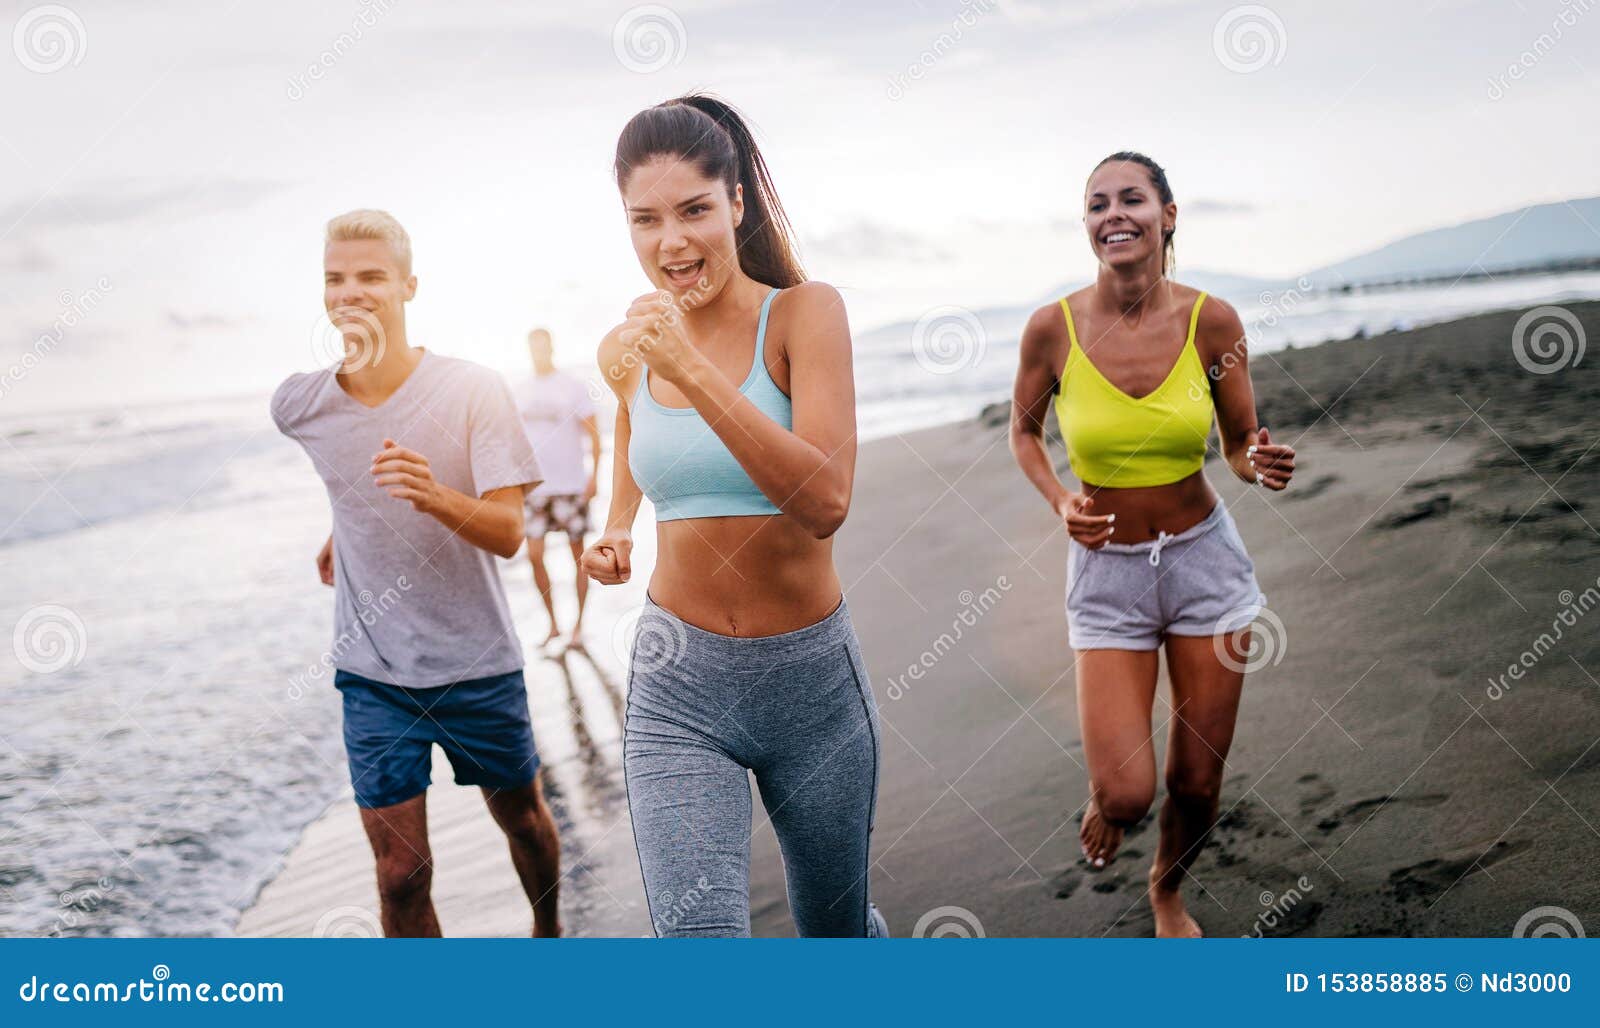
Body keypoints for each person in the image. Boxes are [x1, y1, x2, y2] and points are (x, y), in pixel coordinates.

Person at [580, 94, 888, 938]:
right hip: (678, 683)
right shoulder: (626, 348)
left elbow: (825, 500)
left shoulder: (804, 314)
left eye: (693, 211)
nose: (671, 242)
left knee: (836, 937)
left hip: (812, 685)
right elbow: (634, 427)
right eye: (645, 220)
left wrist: (691, 364)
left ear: (737, 204)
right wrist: (615, 524)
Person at [1008, 152, 1296, 937]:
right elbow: (1024, 435)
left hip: (1205, 563)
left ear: (1168, 215)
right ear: (1088, 226)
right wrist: (1061, 498)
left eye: (1131, 199)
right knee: (1129, 794)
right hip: (1107, 576)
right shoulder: (1052, 329)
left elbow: (1238, 443)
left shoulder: (1215, 321)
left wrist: (1256, 462)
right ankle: (1108, 797)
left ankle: (1167, 889)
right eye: (1098, 204)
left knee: (1197, 784)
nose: (1114, 215)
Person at [271, 209, 563, 937]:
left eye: (371, 277)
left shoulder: (473, 389)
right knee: (401, 875)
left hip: (477, 662)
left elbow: (506, 532)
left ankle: (551, 938)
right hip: (373, 674)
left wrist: (433, 495)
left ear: (409, 286)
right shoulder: (300, 404)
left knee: (523, 822)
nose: (351, 293)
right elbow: (349, 474)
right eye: (335, 279)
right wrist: (342, 527)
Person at [513, 328, 601, 650]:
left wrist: (595, 476)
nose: (539, 352)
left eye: (543, 346)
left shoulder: (572, 387)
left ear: (551, 347)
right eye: (533, 347)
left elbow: (592, 434)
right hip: (534, 490)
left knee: (580, 558)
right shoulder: (519, 390)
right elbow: (513, 441)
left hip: (571, 485)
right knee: (534, 555)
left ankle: (578, 625)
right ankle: (553, 625)